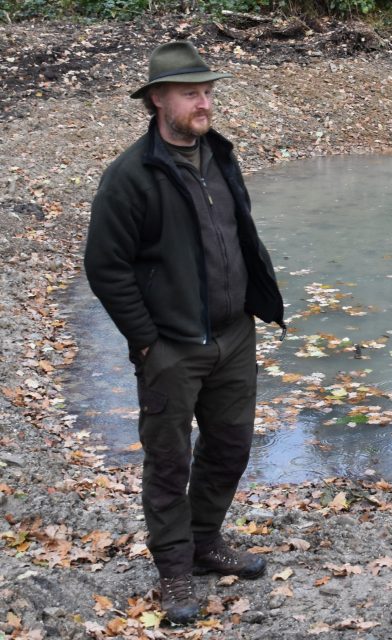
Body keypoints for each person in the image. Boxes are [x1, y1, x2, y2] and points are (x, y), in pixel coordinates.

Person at [84, 41, 285, 624]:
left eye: (208, 92)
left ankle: (204, 541)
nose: (205, 103)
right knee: (169, 462)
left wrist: (254, 303)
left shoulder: (219, 156)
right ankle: (175, 572)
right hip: (171, 347)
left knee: (230, 447)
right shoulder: (129, 176)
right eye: (191, 93)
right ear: (156, 101)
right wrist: (146, 339)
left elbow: (237, 232)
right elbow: (106, 267)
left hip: (233, 335)